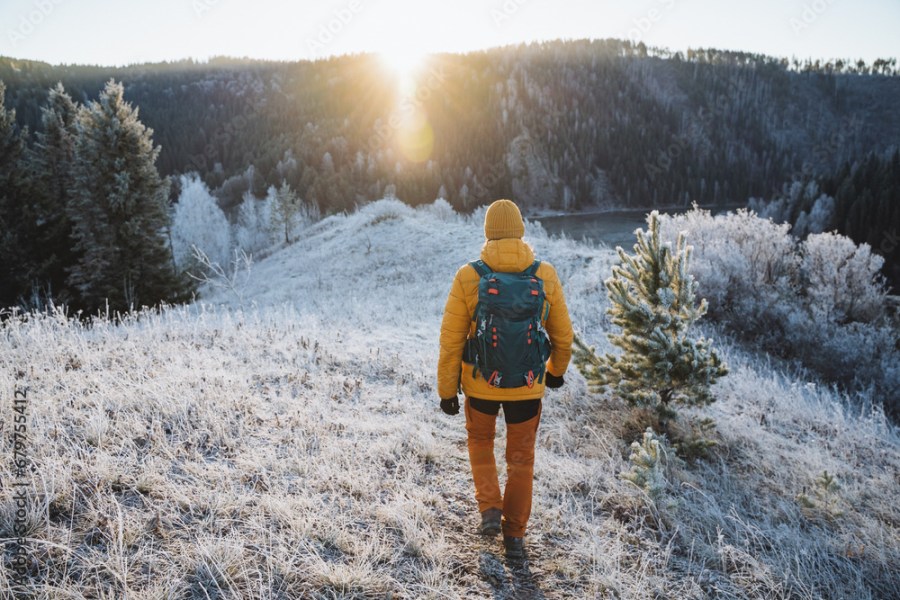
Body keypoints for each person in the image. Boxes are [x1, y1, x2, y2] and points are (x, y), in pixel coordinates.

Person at [437, 198, 573, 559]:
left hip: (481, 384)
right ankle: (514, 536)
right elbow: (563, 335)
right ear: (521, 231)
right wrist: (556, 372)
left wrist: (447, 391)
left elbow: (451, 340)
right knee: (521, 458)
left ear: (488, 233)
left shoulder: (469, 275)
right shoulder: (544, 274)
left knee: (480, 442)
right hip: (528, 385)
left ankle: (490, 509)